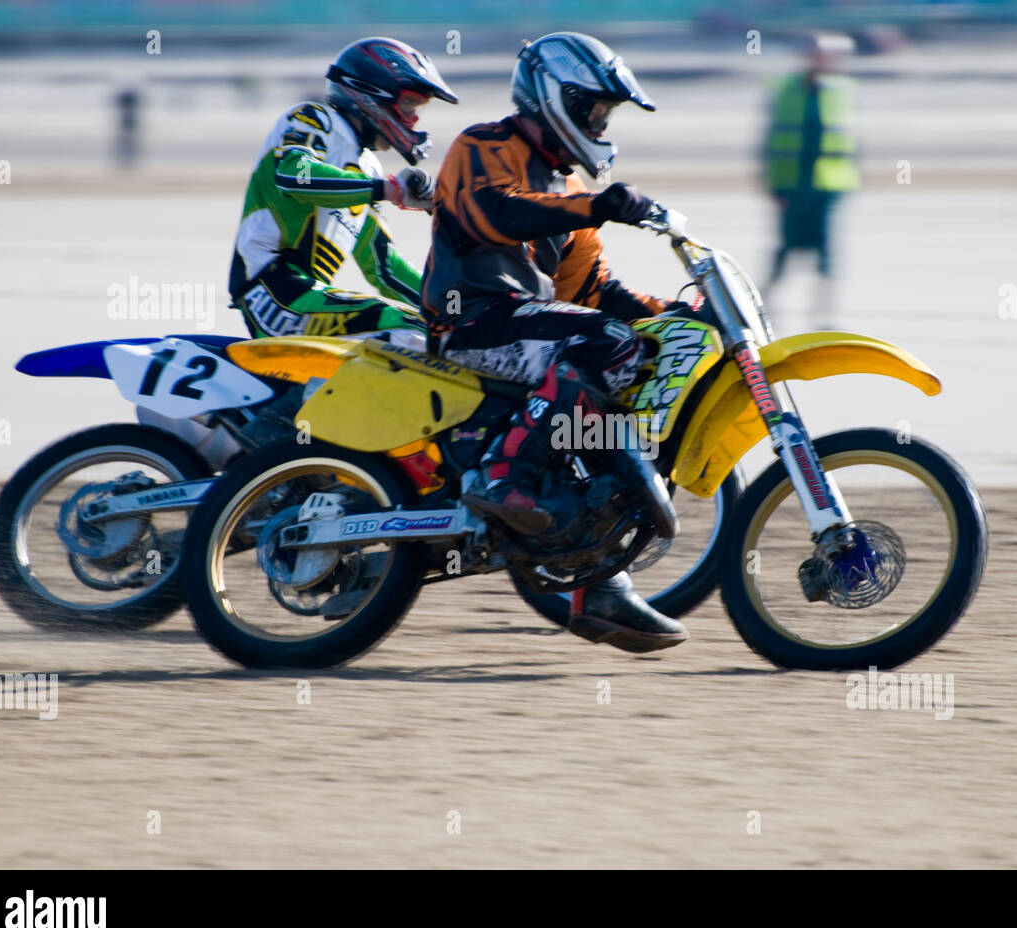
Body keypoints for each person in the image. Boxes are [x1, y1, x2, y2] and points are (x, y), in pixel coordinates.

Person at [420, 32, 688, 653]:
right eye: (593, 107)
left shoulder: (567, 189)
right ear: (554, 96)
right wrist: (601, 205)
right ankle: (505, 476)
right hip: (471, 319)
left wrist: (678, 313)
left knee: (631, 349)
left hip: (527, 323)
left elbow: (595, 291)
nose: (600, 121)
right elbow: (497, 213)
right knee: (609, 347)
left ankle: (598, 583)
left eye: (604, 113)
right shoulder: (483, 144)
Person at [228, 37, 457, 338]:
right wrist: (387, 190)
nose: (414, 119)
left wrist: (454, 312)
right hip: (272, 289)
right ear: (372, 94)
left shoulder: (369, 168)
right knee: (410, 328)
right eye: (408, 104)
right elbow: (294, 175)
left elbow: (384, 267)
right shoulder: (313, 118)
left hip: (308, 295)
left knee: (438, 332)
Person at [763, 32, 859, 327]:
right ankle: (763, 305)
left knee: (827, 253)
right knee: (786, 249)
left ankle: (824, 316)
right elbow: (771, 141)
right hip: (793, 185)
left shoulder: (842, 90)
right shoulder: (787, 88)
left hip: (828, 185)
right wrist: (774, 186)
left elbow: (848, 139)